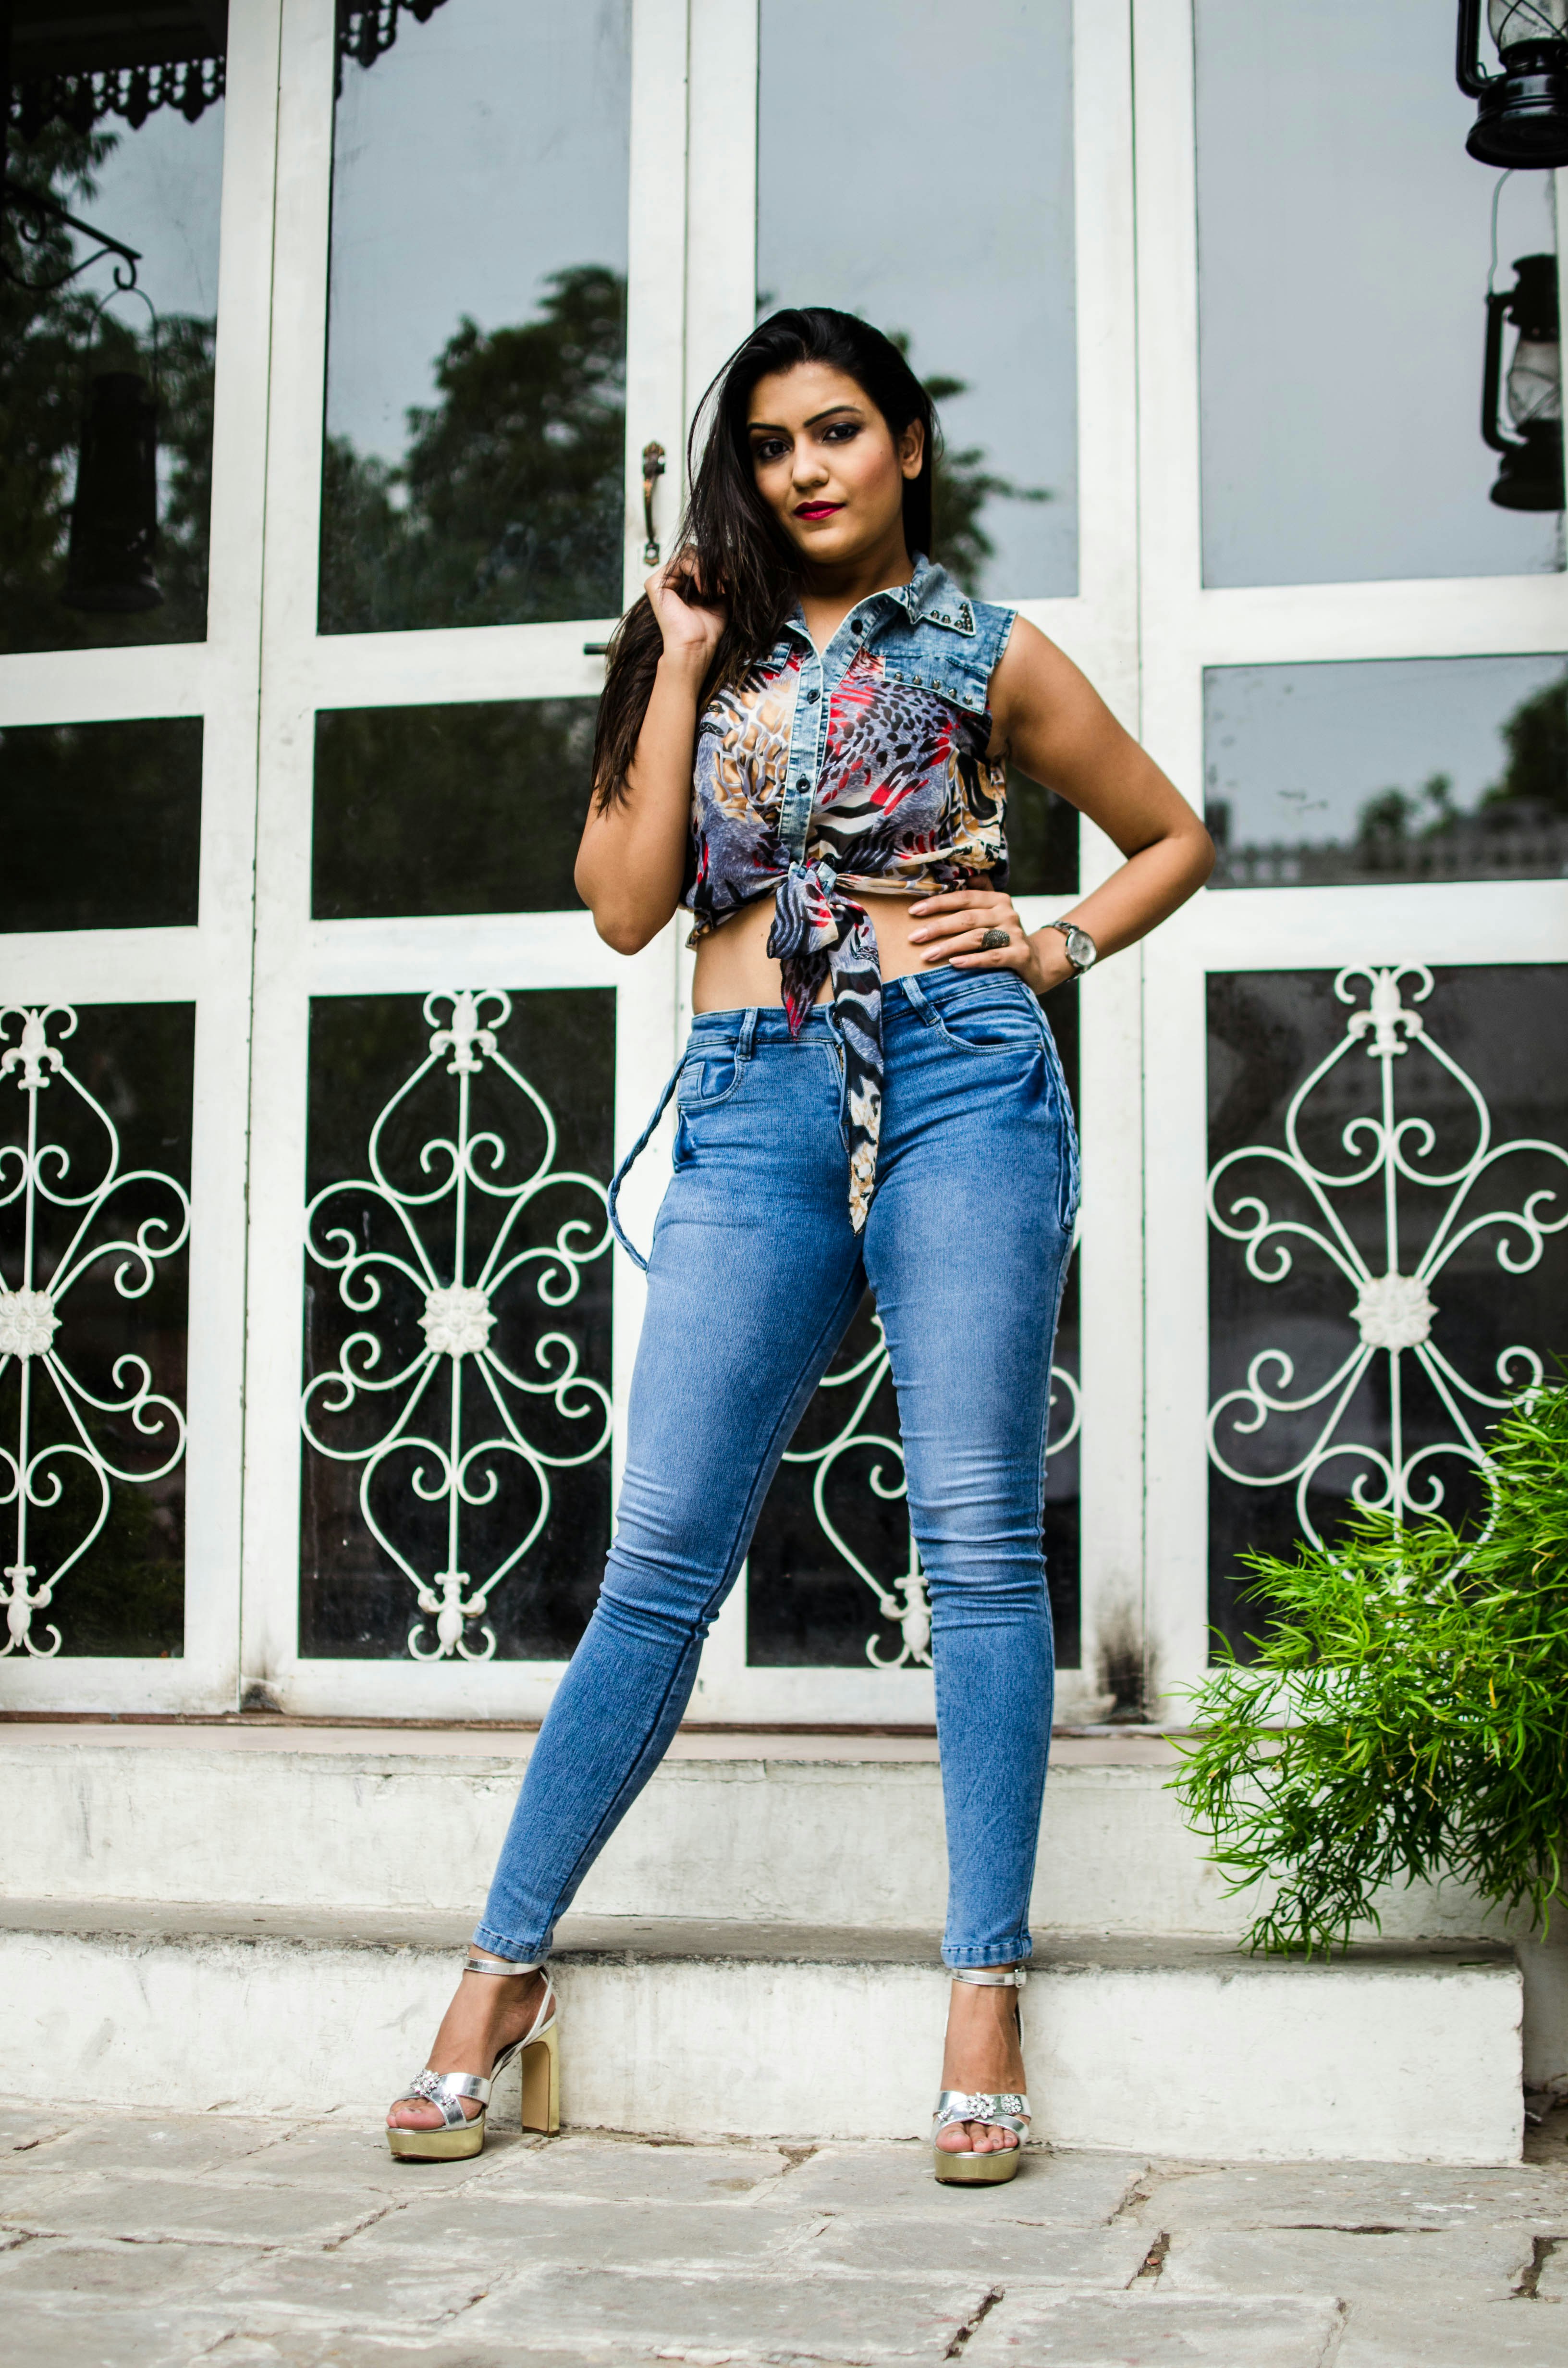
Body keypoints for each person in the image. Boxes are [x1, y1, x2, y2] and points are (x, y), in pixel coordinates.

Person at [387, 307, 1212, 2183]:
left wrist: (1054, 945)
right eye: (768, 444)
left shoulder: (986, 650)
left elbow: (1167, 834)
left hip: (961, 1086)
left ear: (906, 443)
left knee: (978, 1544)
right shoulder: (699, 643)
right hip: (753, 1100)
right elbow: (622, 909)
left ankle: (985, 1994)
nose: (804, 469)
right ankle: (502, 1970)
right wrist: (676, 659)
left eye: (838, 430)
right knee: (660, 1560)